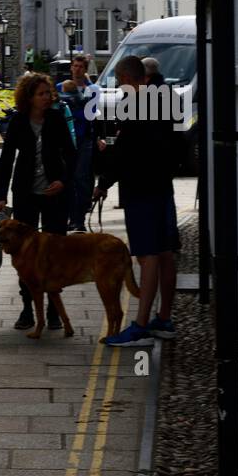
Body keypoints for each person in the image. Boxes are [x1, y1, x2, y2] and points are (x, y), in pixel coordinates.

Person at [93, 55, 179, 348]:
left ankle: (140, 326)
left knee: (148, 255)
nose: (118, 87)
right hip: (162, 187)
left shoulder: (132, 106)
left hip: (140, 189)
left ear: (127, 79)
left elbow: (122, 154)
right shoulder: (165, 101)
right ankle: (163, 319)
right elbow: (173, 144)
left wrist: (103, 183)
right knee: (165, 252)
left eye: (119, 81)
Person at [0, 73, 76, 330]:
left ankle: (53, 311)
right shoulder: (18, 122)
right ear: (29, 97)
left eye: (48, 93)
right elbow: (6, 160)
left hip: (54, 194)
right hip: (26, 193)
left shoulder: (56, 119)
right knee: (24, 253)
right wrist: (0, 195)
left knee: (55, 252)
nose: (47, 97)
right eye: (41, 94)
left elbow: (71, 155)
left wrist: (63, 181)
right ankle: (27, 308)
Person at [61, 53, 98, 232]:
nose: (76, 69)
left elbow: (89, 115)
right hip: (65, 139)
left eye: (80, 67)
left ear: (85, 69)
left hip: (84, 139)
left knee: (81, 179)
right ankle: (69, 216)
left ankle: (79, 218)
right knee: (66, 179)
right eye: (74, 66)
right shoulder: (61, 87)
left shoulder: (92, 89)